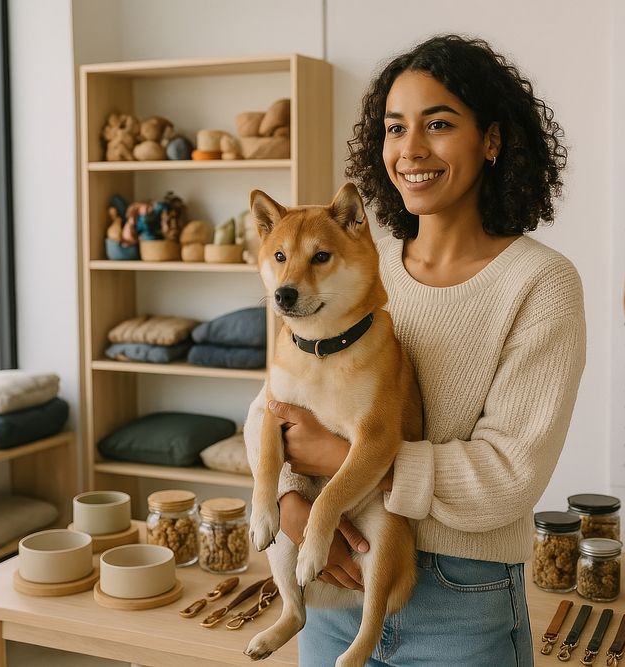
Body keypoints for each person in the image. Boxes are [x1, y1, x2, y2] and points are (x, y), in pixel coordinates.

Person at [244, 34, 586, 666]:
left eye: (439, 124)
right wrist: (292, 501)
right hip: (330, 592)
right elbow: (272, 406)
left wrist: (346, 461)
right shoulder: (350, 270)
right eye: (395, 127)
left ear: (492, 139)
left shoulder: (539, 284)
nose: (411, 150)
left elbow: (509, 477)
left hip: (463, 605)